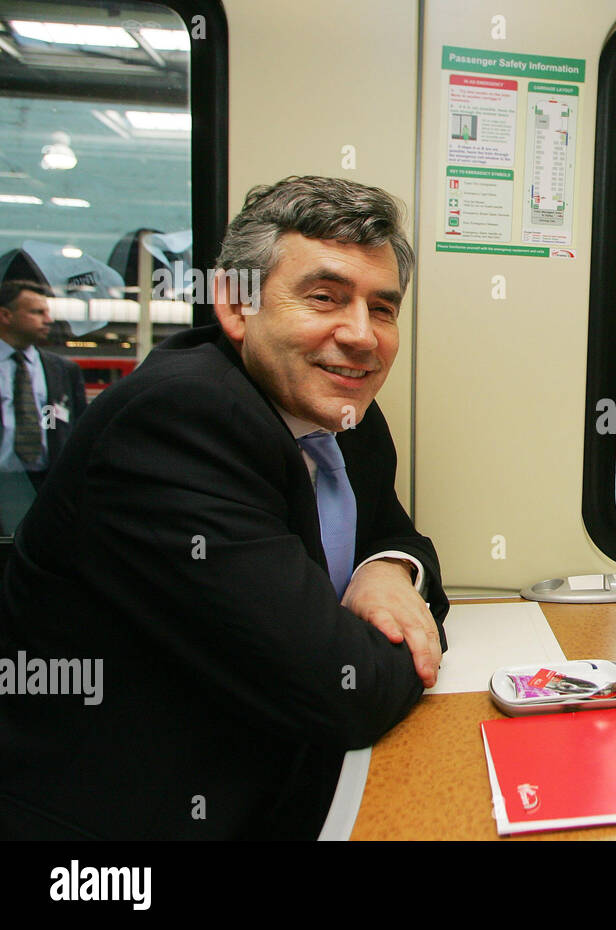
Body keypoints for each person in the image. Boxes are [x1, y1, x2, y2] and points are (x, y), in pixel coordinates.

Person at [0, 176, 448, 839]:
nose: (362, 336)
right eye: (324, 297)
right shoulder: (177, 421)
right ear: (237, 309)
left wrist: (387, 568)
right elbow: (341, 690)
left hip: (281, 775)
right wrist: (413, 631)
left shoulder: (348, 414)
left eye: (382, 309)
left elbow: (403, 540)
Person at [0, 280, 87, 533]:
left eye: (47, 311)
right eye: (37, 312)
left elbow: (79, 431)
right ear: (6, 315)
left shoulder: (63, 370)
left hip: (46, 487)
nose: (48, 319)